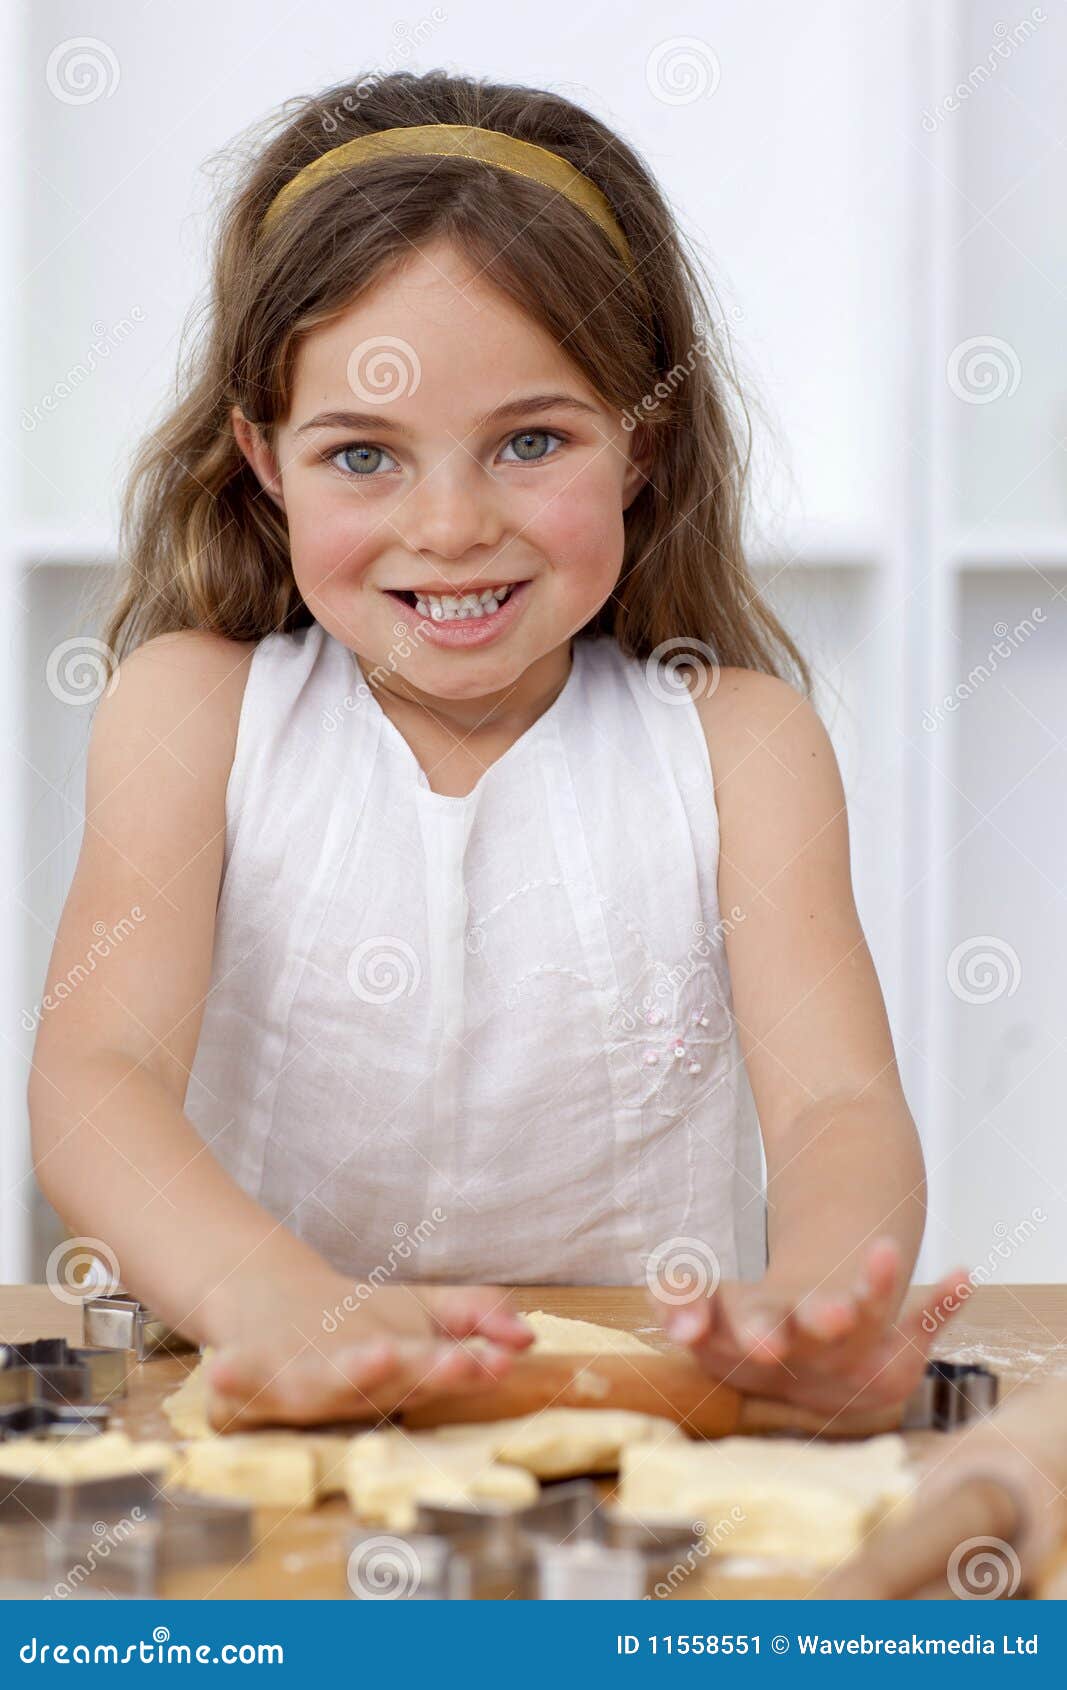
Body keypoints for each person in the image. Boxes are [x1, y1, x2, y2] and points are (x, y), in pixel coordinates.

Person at [28, 70, 963, 1431]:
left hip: (641, 1431)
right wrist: (270, 1294)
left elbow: (835, 1102)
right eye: (364, 455)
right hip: (262, 1415)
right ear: (263, 456)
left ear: (641, 444)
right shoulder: (190, 714)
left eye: (530, 441)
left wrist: (821, 1285)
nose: (453, 524)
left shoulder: (743, 744)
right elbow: (92, 1081)